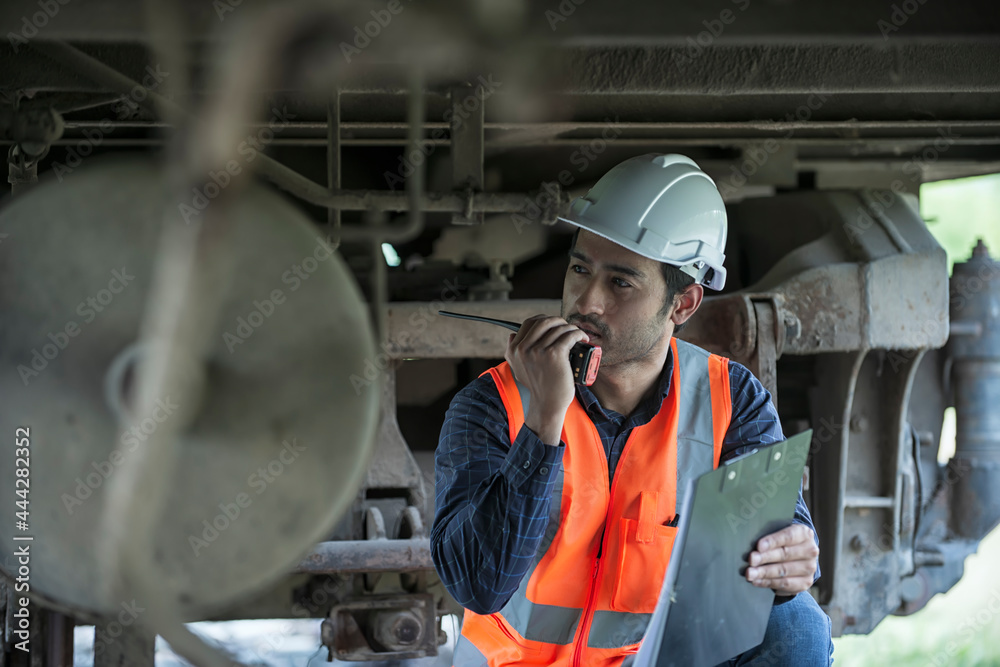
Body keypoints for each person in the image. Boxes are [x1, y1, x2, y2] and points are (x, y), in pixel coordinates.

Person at [431, 154, 833, 666]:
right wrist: (544, 422)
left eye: (620, 282)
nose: (586, 301)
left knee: (795, 622)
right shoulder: (492, 403)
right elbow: (478, 587)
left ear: (683, 304)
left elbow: (777, 545)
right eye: (580, 269)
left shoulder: (729, 400)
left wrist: (791, 559)